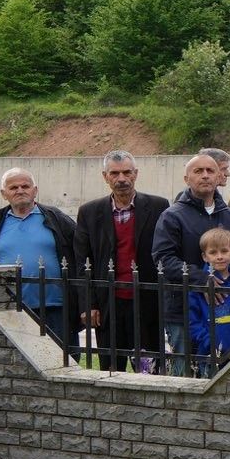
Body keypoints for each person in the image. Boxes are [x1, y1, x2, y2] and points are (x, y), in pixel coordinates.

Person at [72, 150, 167, 372]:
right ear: (105, 176)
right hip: (108, 303)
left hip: (146, 300)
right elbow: (82, 261)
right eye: (114, 173)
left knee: (149, 367)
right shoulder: (89, 212)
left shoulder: (158, 206)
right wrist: (89, 304)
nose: (121, 179)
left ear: (136, 174)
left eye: (126, 172)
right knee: (110, 366)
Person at [153, 153, 230, 375]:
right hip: (183, 311)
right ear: (187, 178)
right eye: (198, 171)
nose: (205, 175)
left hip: (227, 309)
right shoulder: (172, 216)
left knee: (226, 370)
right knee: (183, 371)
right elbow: (163, 259)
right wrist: (202, 279)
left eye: (210, 171)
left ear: (219, 176)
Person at [0, 167, 79, 349]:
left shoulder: (57, 219)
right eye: (13, 187)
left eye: (25, 186)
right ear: (4, 193)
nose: (20, 191)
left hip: (56, 308)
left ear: (35, 190)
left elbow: (78, 256)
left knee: (64, 360)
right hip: (10, 309)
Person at [186, 227, 230, 371]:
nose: (219, 256)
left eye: (224, 251)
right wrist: (211, 343)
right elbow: (192, 322)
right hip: (209, 355)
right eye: (213, 252)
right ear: (204, 256)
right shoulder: (197, 287)